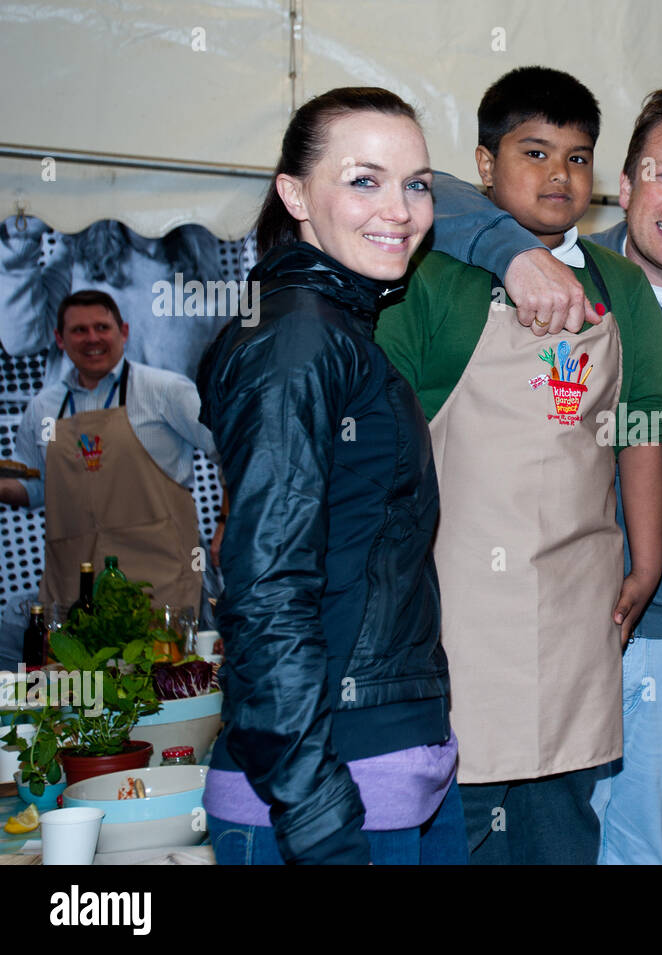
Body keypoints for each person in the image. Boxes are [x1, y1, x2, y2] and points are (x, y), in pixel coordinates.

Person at [429, 79, 662, 865]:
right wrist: (511, 253)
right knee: (531, 822)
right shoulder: (560, 278)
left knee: (637, 843)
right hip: (543, 618)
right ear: (622, 186)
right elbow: (427, 191)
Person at [376, 66, 662, 865]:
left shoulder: (622, 288)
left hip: (579, 601)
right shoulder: (431, 277)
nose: (558, 175)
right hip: (456, 605)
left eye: (577, 158)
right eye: (534, 152)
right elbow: (381, 435)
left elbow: (642, 424)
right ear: (482, 163)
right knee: (459, 814)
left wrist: (647, 560)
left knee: (559, 819)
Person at [196, 87, 463, 865]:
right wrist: (315, 818)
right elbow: (267, 585)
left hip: (396, 773)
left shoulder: (341, 325)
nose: (401, 208)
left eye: (417, 183)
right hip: (325, 797)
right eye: (363, 179)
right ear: (294, 194)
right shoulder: (297, 341)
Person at [0, 289, 214, 615]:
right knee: (77, 667)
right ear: (59, 339)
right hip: (76, 583)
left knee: (166, 665)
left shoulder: (166, 390)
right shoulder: (42, 408)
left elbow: (229, 448)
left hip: (161, 577)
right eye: (79, 330)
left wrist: (226, 520)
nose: (92, 338)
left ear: (123, 331)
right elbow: (36, 487)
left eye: (102, 327)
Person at [0, 218, 226, 381]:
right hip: (81, 441)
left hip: (160, 444)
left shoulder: (202, 272)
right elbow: (22, 339)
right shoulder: (79, 255)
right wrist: (20, 244)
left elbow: (221, 379)